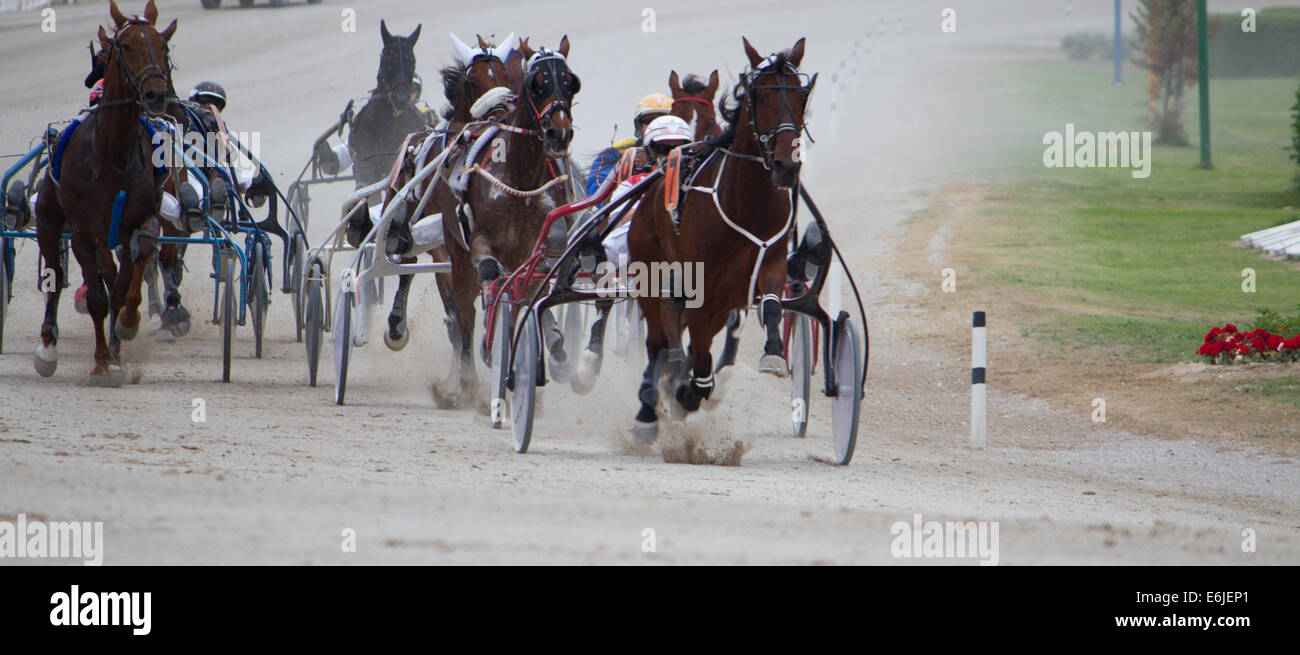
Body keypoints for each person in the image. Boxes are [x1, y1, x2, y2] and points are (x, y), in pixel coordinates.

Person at [600, 115, 692, 266]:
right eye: (665, 149)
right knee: (611, 246)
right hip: (641, 257)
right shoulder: (633, 184)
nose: (672, 155)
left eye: (678, 149)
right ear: (652, 151)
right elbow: (622, 219)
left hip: (689, 254)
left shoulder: (696, 184)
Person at [585, 93, 672, 196]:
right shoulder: (615, 153)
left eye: (665, 121)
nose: (657, 126)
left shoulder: (690, 154)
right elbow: (597, 191)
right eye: (650, 120)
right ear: (639, 126)